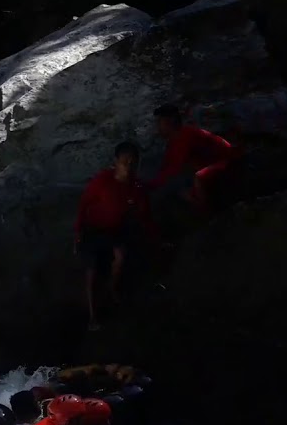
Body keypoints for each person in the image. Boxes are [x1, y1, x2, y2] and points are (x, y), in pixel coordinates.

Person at [74, 141, 157, 331]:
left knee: (120, 256)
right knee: (91, 270)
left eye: (132, 163)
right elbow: (84, 203)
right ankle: (92, 316)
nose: (128, 167)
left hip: (114, 230)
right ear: (115, 162)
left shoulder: (136, 187)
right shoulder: (102, 180)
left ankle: (112, 288)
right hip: (92, 228)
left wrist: (155, 238)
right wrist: (78, 231)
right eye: (124, 162)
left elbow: (145, 215)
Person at [146, 104, 238, 216]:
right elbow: (167, 167)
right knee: (184, 188)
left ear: (171, 121)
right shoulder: (173, 142)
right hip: (212, 167)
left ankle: (210, 215)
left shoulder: (185, 136)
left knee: (192, 183)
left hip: (229, 162)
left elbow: (173, 169)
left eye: (159, 122)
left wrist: (152, 185)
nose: (157, 127)